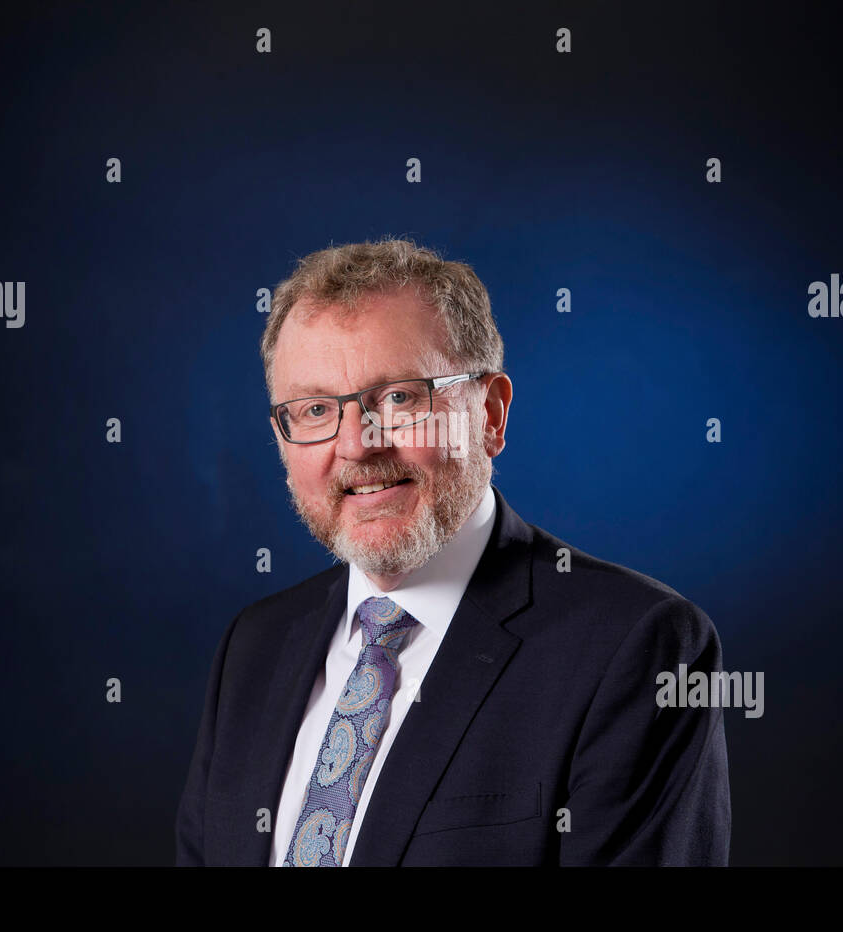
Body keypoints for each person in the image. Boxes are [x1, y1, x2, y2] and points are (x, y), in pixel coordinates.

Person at [176, 238, 730, 866]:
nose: (358, 445)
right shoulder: (254, 646)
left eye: (401, 398)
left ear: (490, 415)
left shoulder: (636, 647)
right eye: (315, 409)